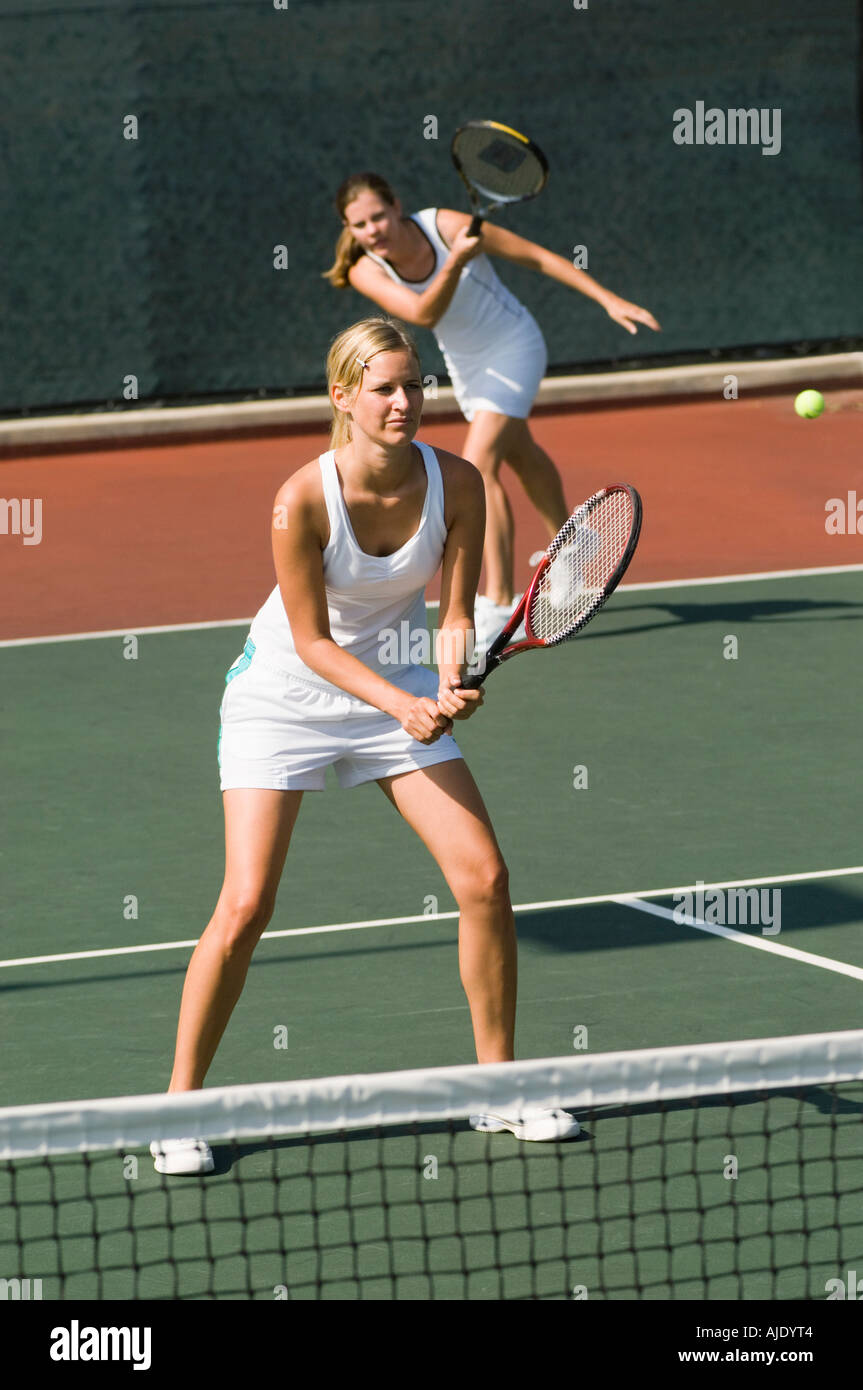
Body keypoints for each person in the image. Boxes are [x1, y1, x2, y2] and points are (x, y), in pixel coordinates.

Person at [152, 317, 577, 1174]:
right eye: (383, 387)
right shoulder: (301, 499)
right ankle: (177, 1108)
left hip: (397, 689)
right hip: (283, 698)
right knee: (244, 906)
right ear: (342, 397)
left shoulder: (457, 481)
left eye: (413, 385)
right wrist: (403, 702)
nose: (403, 402)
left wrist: (448, 676)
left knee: (485, 879)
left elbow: (453, 615)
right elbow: (311, 641)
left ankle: (498, 1087)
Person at [325, 172, 660, 650]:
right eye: (360, 224)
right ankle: (577, 540)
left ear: (397, 205)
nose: (373, 229)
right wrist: (457, 261)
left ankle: (499, 601)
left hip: (513, 345)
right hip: (466, 364)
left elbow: (537, 256)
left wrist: (608, 299)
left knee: (479, 466)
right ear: (349, 229)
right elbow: (423, 314)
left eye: (378, 215)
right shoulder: (365, 266)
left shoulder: (445, 224)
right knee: (520, 453)